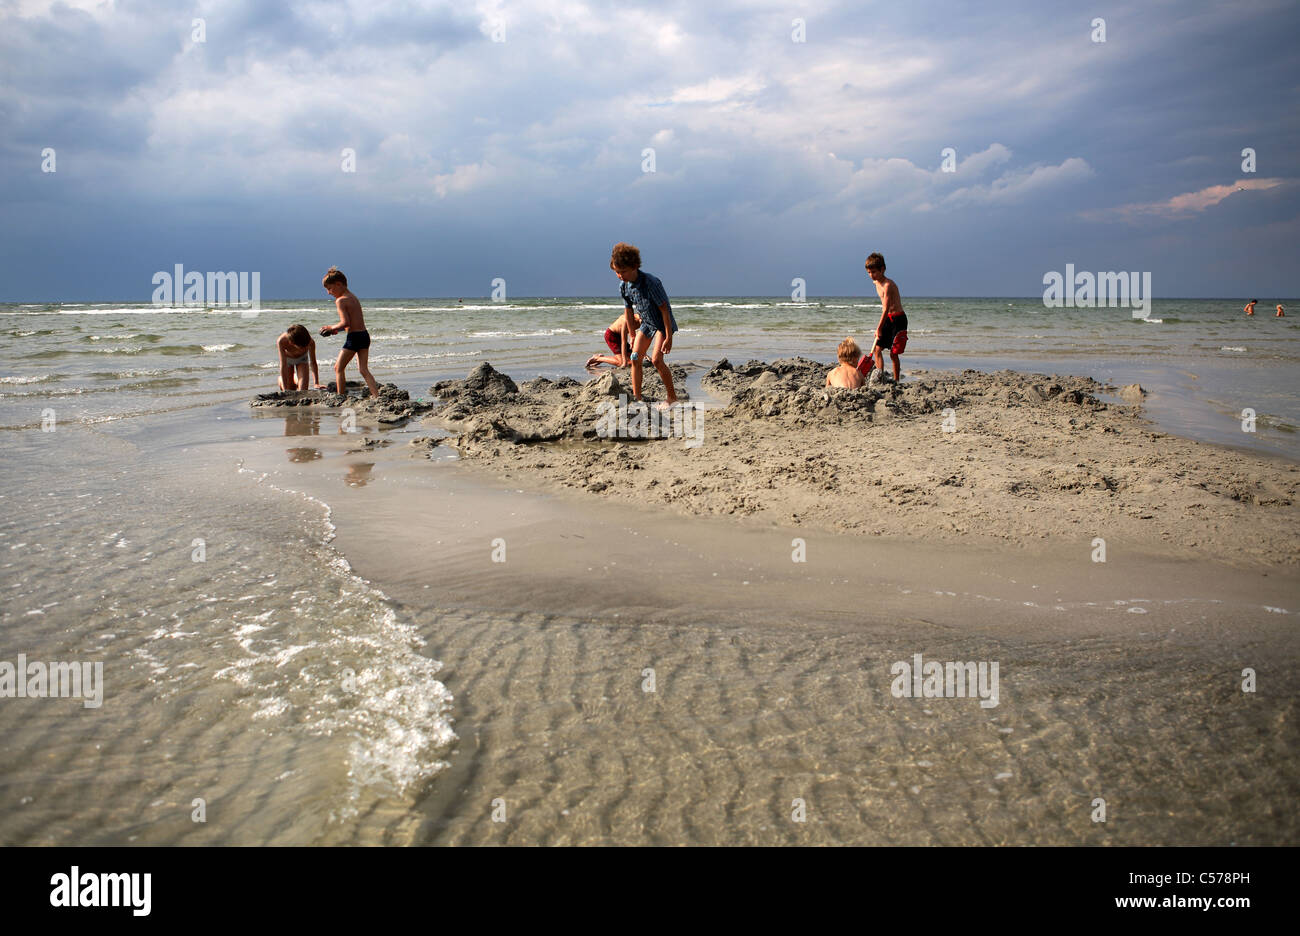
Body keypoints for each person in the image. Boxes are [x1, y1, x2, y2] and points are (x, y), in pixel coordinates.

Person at [610, 242, 678, 405]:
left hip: (662, 324)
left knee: (656, 360)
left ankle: (672, 397)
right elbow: (628, 311)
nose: (620, 276)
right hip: (646, 323)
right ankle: (637, 397)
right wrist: (632, 335)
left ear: (634, 266)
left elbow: (664, 310)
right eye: (617, 272)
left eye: (623, 272)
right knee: (634, 357)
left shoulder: (651, 283)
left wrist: (668, 337)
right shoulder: (624, 286)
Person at [318, 267, 380, 398]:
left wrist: (330, 328)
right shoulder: (352, 297)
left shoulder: (340, 300)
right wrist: (336, 329)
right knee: (363, 369)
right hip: (364, 335)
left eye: (329, 288)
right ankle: (376, 396)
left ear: (338, 284)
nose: (328, 292)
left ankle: (340, 396)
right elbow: (351, 322)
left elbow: (345, 323)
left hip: (354, 338)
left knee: (338, 368)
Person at [860, 252, 908, 382]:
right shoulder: (876, 282)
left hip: (898, 320)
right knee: (877, 349)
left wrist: (878, 328)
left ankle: (896, 380)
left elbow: (886, 308)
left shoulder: (888, 285)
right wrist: (881, 326)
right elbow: (885, 310)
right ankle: (880, 376)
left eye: (874, 272)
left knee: (893, 353)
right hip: (888, 319)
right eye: (869, 273)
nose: (871, 276)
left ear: (883, 269)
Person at [277, 324, 324, 392]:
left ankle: (297, 377)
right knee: (290, 389)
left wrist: (316, 383)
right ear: (291, 343)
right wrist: (285, 389)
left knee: (303, 391)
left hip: (302, 359)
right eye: (302, 347)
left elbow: (313, 362)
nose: (304, 348)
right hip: (288, 361)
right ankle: (281, 379)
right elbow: (283, 365)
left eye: (305, 346)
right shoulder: (281, 341)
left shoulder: (310, 341)